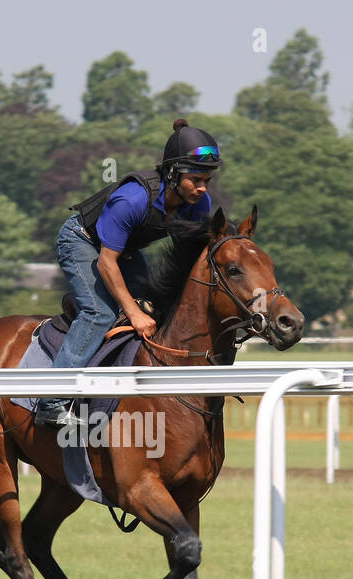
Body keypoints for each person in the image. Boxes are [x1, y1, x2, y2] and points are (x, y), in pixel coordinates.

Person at [33, 118, 221, 428]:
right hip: (83, 242)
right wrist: (132, 312)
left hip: (126, 253)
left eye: (207, 181)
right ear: (173, 174)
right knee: (100, 313)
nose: (202, 188)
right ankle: (51, 401)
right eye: (196, 180)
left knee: (159, 307)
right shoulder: (132, 198)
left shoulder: (199, 204)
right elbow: (107, 262)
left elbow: (190, 261)